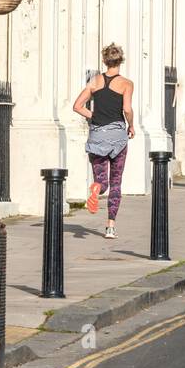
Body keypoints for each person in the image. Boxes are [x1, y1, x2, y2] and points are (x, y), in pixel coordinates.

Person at [73, 43, 134, 239]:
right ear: (121, 60)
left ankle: (97, 187)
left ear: (104, 60)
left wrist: (94, 116)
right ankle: (110, 227)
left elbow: (77, 106)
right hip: (117, 136)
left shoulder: (94, 81)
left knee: (102, 181)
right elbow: (127, 109)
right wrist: (131, 125)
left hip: (97, 135)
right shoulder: (126, 83)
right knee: (116, 182)